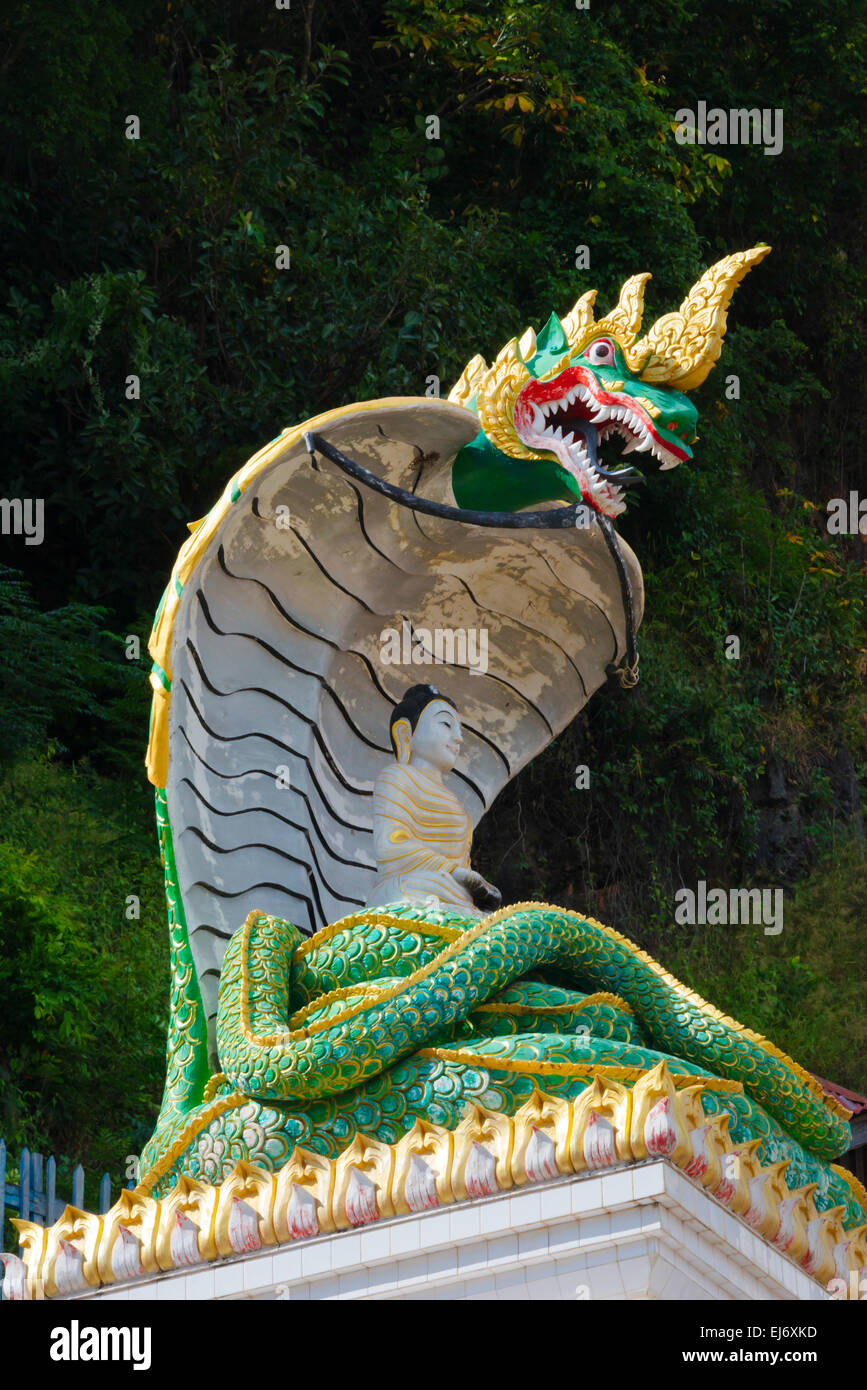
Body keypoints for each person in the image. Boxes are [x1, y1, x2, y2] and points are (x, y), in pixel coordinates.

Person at [364, 684, 502, 916]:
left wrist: (470, 883)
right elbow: (389, 847)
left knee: (480, 914)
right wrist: (452, 871)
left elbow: (464, 867)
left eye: (459, 730)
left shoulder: (456, 802)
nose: (458, 738)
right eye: (446, 724)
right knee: (419, 893)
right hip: (412, 887)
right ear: (405, 732)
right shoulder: (397, 776)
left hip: (455, 892)